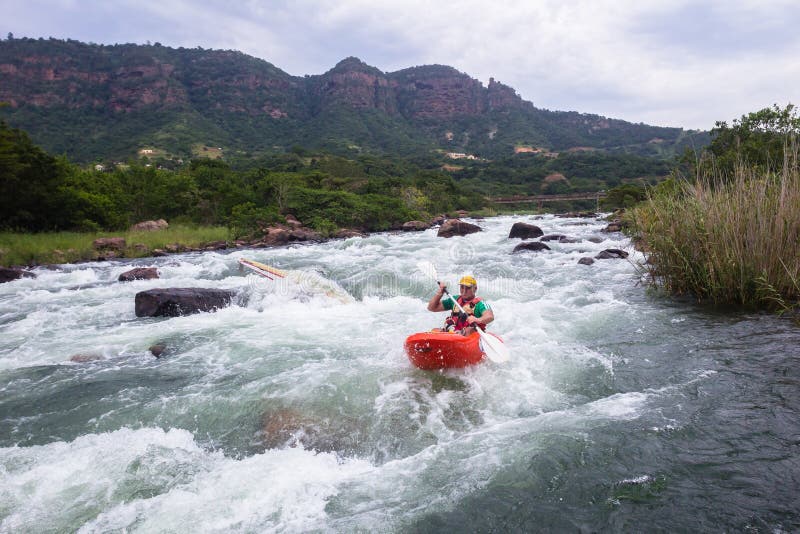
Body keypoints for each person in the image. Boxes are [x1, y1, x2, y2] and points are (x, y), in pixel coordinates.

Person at [427, 275, 494, 335]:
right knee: (434, 330)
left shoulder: (480, 304)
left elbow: (490, 317)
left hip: (469, 335)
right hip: (453, 332)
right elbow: (432, 308)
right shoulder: (454, 300)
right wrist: (440, 292)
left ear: (475, 288)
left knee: (470, 330)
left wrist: (478, 320)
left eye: (468, 288)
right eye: (462, 287)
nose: (464, 291)